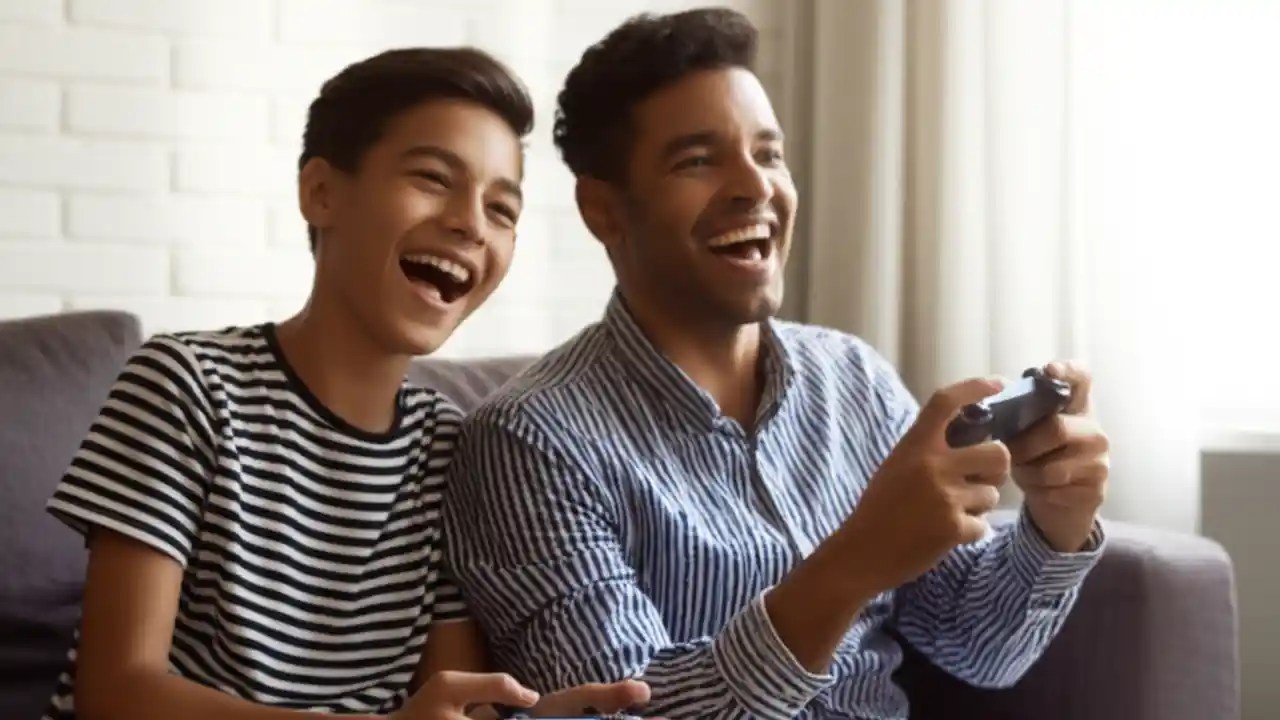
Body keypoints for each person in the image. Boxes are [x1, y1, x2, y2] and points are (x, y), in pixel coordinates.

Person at [442, 8, 1110, 720]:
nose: (754, 186)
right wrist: (853, 562)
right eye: (698, 160)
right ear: (604, 211)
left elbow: (978, 647)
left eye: (768, 154)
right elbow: (623, 710)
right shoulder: (527, 441)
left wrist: (1055, 521)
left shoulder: (851, 379)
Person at [39, 47, 646, 720]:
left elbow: (453, 698)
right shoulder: (186, 385)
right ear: (321, 192)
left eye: (502, 209)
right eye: (433, 178)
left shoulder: (449, 446)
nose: (471, 223)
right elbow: (118, 691)